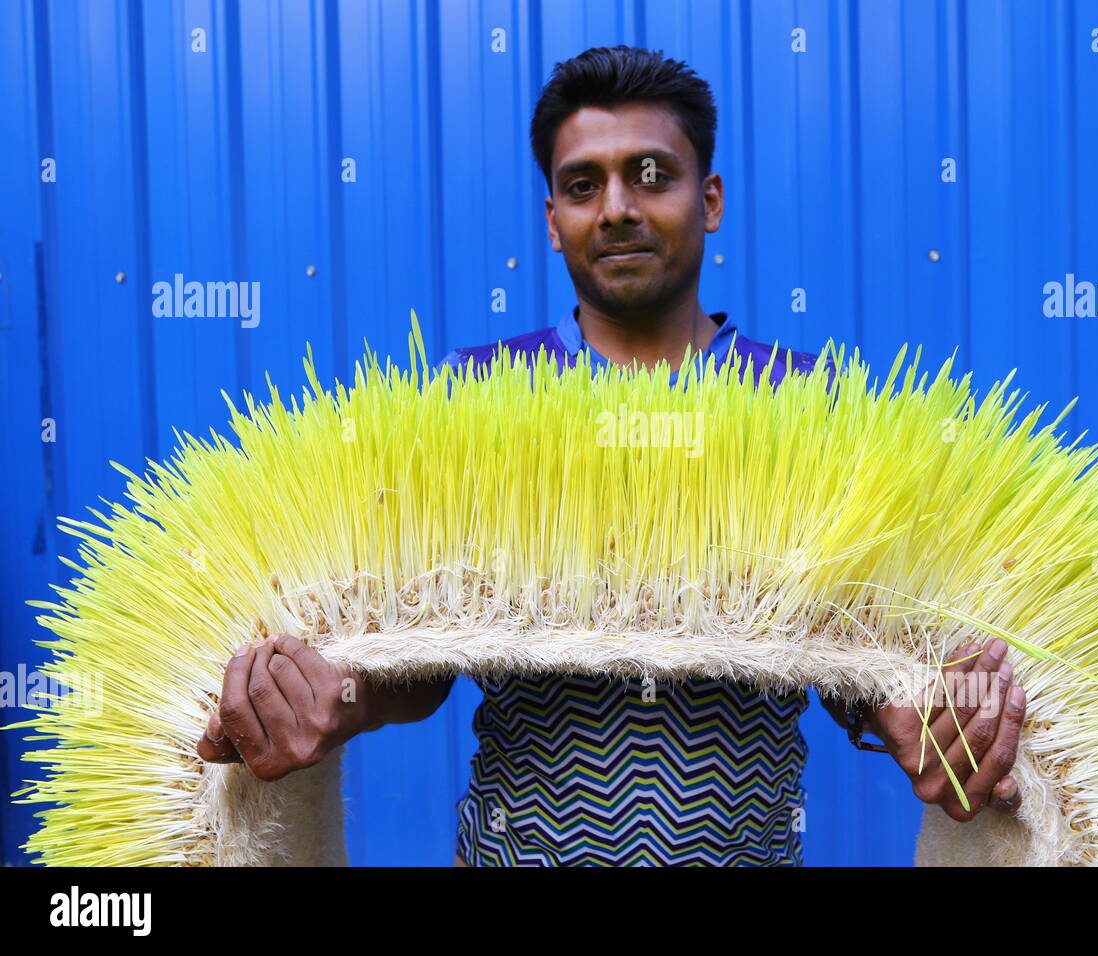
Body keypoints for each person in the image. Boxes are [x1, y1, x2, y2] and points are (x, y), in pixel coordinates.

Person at [196, 45, 1025, 866]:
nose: (618, 207)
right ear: (552, 221)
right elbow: (417, 660)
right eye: (584, 184)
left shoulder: (814, 404)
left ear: (710, 201)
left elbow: (861, 641)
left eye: (651, 174)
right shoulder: (474, 399)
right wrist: (325, 699)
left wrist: (924, 713)